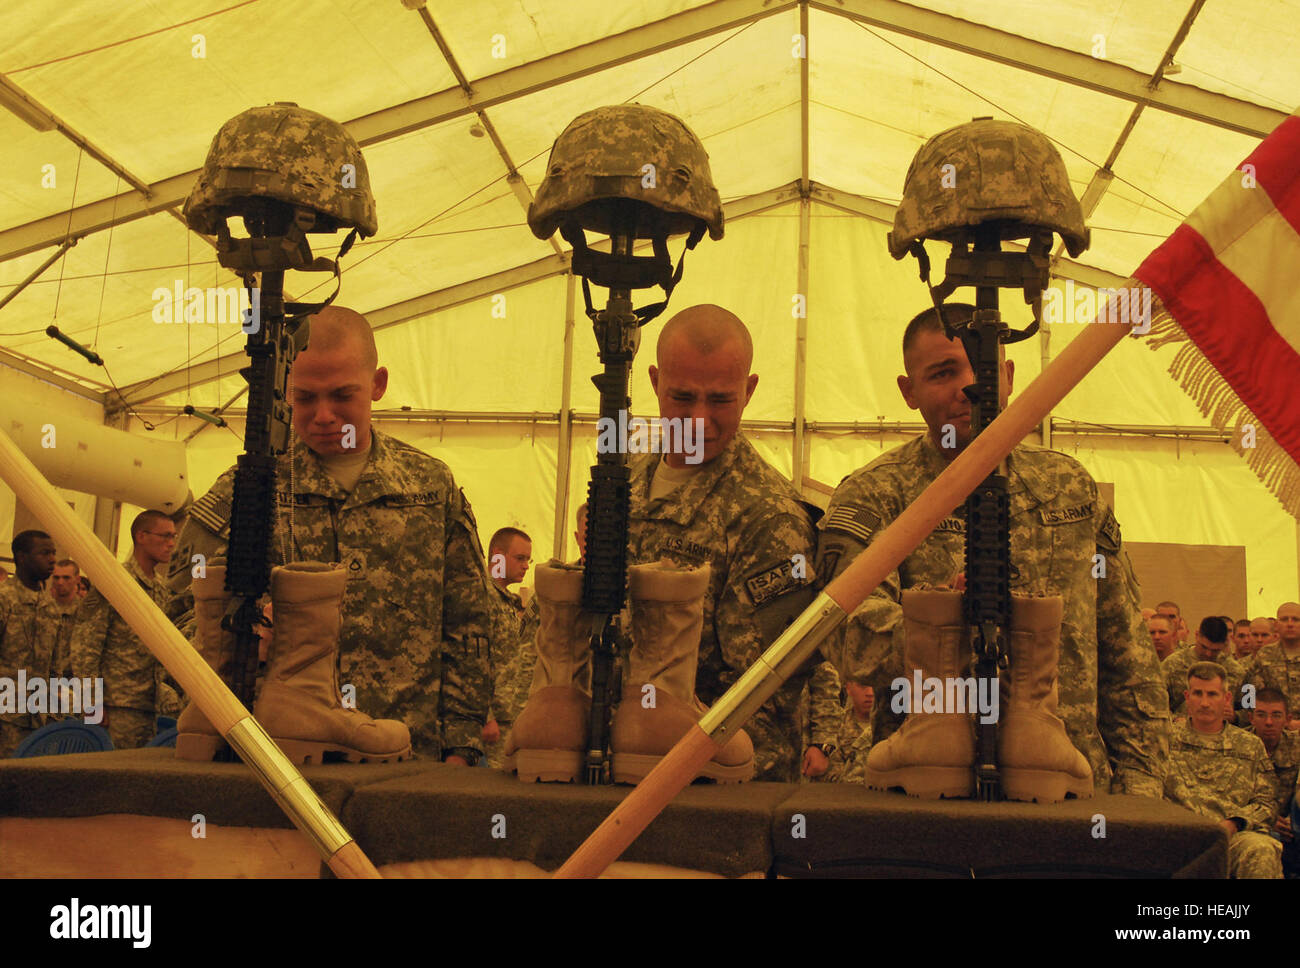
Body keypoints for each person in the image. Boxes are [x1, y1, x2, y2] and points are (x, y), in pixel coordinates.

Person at [814, 303, 1169, 797]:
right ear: (908, 391)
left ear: (1007, 376)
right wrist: (949, 625)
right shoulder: (877, 495)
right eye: (942, 373)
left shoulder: (1068, 488)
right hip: (926, 781)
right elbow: (847, 635)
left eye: (981, 371)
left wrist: (1143, 788)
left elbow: (1126, 652)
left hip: (1068, 782)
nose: (967, 387)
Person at [168, 305, 496, 763]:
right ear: (283, 391)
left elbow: (470, 623)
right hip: (274, 754)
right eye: (304, 398)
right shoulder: (249, 488)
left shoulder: (428, 486)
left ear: (377, 385)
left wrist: (461, 742)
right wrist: (237, 637)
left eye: (342, 395)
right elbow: (178, 613)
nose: (323, 415)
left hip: (405, 755)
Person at [625, 304, 820, 782]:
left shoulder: (768, 516)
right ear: (654, 381)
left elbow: (767, 697)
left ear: (749, 390)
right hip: (620, 762)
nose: (698, 419)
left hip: (710, 789)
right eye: (683, 397)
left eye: (720, 401)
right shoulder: (625, 489)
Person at [1164, 662, 1282, 878]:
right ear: (1187, 697)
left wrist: (1235, 822)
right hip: (1179, 836)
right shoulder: (1164, 740)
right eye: (1198, 694)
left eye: (1212, 694)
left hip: (1234, 838)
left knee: (1261, 850)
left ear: (1227, 699)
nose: (1205, 703)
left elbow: (1267, 803)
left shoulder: (1249, 745)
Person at [71, 512, 177, 750]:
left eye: (174, 536)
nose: (171, 543)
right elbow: (85, 648)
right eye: (165, 536)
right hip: (113, 707)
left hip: (147, 706)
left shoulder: (160, 589)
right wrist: (92, 703)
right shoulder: (115, 580)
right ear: (141, 536)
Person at [0, 531, 63, 755]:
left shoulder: (51, 607)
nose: (52, 559)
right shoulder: (5, 599)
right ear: (22, 557)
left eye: (54, 553)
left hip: (39, 718)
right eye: (44, 553)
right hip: (6, 716)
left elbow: (55, 667)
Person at [483, 527, 538, 766]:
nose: (526, 566)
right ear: (497, 556)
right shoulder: (482, 598)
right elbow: (472, 662)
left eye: (528, 559)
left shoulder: (506, 601)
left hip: (511, 720)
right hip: (491, 726)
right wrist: (486, 717)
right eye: (519, 558)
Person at [1162, 616, 1245, 715]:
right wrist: (1175, 719)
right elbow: (1157, 705)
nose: (1208, 654)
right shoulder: (1172, 665)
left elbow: (1251, 708)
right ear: (1197, 635)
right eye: (1204, 647)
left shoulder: (1237, 671)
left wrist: (1236, 717)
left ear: (1225, 643)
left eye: (1215, 651)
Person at [1245, 603, 1300, 731]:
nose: (1290, 624)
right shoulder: (1264, 655)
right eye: (1284, 619)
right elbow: (1248, 693)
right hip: (1272, 730)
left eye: (1296, 619)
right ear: (1276, 625)